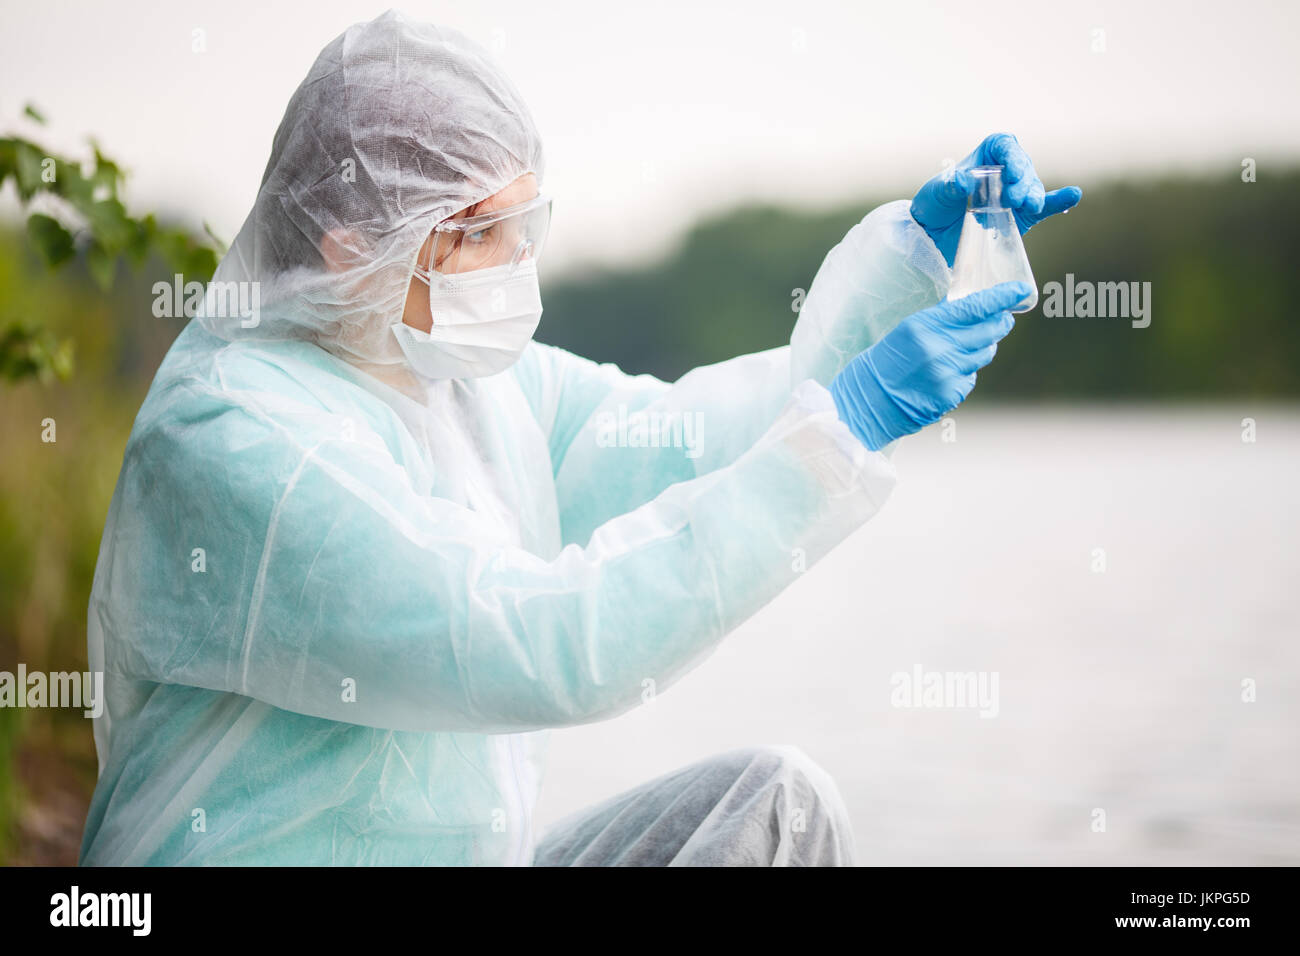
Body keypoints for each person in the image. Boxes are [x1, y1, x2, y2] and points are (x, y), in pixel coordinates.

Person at [77, 9, 1080, 866]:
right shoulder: (241, 439)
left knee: (776, 810)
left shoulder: (458, 383)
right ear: (353, 240)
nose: (516, 263)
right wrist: (842, 430)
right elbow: (540, 639)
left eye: (527, 223)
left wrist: (913, 261)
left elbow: (690, 436)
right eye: (480, 232)